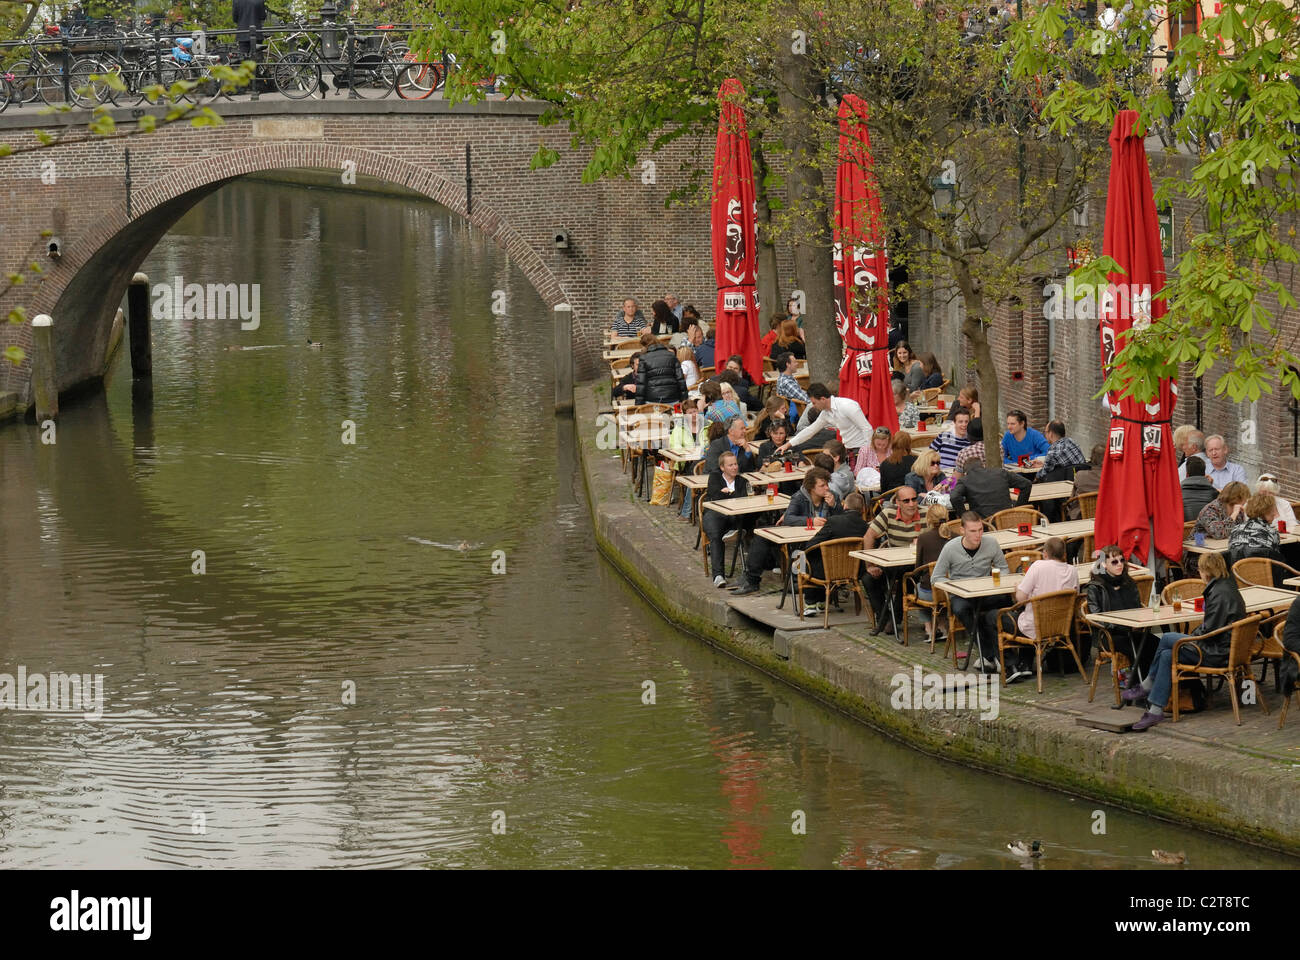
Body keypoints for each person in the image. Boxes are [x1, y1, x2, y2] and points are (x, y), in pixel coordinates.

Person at [1123, 551, 1245, 731]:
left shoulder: (1219, 594)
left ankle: (1148, 683)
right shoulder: (1226, 587)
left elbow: (1210, 630)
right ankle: (1155, 710)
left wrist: (1192, 636)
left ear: (1206, 571)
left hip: (1216, 652)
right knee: (1166, 654)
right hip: (1222, 647)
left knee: (1166, 638)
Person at [732, 468, 840, 597]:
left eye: (827, 484)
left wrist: (834, 506)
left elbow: (843, 520)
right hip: (801, 538)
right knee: (761, 536)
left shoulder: (833, 496)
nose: (826, 488)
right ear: (811, 487)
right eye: (822, 485)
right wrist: (811, 521)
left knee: (799, 549)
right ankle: (752, 580)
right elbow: (789, 518)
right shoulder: (799, 497)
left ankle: (799, 581)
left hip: (825, 540)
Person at [932, 512, 1012, 673]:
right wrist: (955, 587)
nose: (978, 535)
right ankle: (990, 655)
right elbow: (936, 577)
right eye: (973, 531)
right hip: (962, 595)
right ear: (962, 530)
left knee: (1006, 602)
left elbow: (1003, 568)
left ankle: (1010, 656)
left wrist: (997, 580)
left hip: (986, 592)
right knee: (963, 609)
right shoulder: (950, 548)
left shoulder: (991, 543)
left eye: (980, 530)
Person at [999, 537, 1078, 684]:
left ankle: (1011, 666)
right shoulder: (1073, 571)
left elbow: (1020, 599)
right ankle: (1025, 664)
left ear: (1045, 553)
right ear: (1064, 554)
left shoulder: (1038, 566)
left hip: (1036, 627)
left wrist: (1018, 588)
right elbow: (1075, 596)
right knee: (1025, 615)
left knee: (992, 617)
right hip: (1060, 627)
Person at [861, 485, 925, 635]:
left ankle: (894, 620)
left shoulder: (926, 514)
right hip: (893, 563)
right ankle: (884, 616)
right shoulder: (888, 513)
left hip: (917, 566)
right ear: (898, 502)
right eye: (907, 501)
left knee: (907, 578)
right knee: (868, 579)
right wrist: (870, 565)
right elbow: (869, 536)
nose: (911, 504)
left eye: (914, 499)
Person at [1086, 545, 1152, 687]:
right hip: (1109, 635)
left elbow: (1136, 608)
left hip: (1131, 630)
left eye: (1122, 560)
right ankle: (1140, 689)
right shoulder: (1096, 586)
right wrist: (1116, 625)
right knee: (1139, 649)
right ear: (1104, 564)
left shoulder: (1128, 582)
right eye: (1114, 562)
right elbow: (1096, 616)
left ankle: (1147, 686)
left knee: (1156, 645)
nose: (1120, 565)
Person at [797, 491, 871, 613]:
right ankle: (821, 601)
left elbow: (812, 544)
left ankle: (810, 602)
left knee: (806, 555)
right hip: (855, 571)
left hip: (829, 571)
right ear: (863, 509)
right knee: (820, 558)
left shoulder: (833, 521)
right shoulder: (866, 527)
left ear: (845, 506)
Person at [778, 383, 874, 463]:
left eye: (814, 403)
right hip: (848, 449)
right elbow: (810, 431)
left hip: (861, 449)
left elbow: (867, 428)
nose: (813, 406)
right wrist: (788, 445)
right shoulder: (826, 413)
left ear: (823, 399)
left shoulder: (847, 406)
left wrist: (868, 452)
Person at [701, 451, 752, 588]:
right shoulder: (714, 477)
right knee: (716, 535)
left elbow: (745, 499)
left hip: (736, 517)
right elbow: (714, 496)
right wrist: (732, 495)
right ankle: (718, 575)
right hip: (716, 514)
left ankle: (753, 572)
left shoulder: (743, 481)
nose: (735, 467)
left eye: (735, 464)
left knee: (755, 524)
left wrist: (727, 493)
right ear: (723, 468)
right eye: (730, 465)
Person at [913, 503, 951, 643]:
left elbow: (919, 567)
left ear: (928, 519)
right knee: (938, 591)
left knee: (919, 586)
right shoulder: (957, 536)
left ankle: (929, 630)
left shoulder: (924, 538)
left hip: (932, 591)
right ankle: (942, 627)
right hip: (952, 590)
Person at [950, 454, 1032, 518]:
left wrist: (965, 516)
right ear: (984, 465)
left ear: (965, 472)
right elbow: (1027, 484)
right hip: (1008, 518)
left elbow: (954, 497)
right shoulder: (1000, 472)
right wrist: (1018, 509)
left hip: (984, 524)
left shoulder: (965, 480)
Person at [1227, 492, 1282, 571]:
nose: (1274, 513)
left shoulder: (1235, 529)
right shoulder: (1271, 532)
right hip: (1265, 577)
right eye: (1273, 509)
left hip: (1238, 577)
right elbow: (1276, 560)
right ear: (1265, 511)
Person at [634, 329, 687, 404]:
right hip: (673, 397)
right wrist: (684, 399)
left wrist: (638, 404)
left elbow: (641, 383)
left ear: (644, 346)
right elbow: (680, 379)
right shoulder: (671, 355)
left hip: (652, 399)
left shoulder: (643, 358)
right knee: (676, 416)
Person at [928, 407, 973, 471]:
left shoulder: (970, 441)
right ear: (954, 423)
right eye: (960, 422)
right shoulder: (944, 436)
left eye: (966, 422)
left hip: (958, 475)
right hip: (941, 473)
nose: (964, 424)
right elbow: (928, 453)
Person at [774, 350, 810, 422]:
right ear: (788, 364)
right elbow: (807, 400)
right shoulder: (787, 383)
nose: (797, 364)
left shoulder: (785, 378)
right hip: (801, 412)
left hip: (798, 409)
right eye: (794, 362)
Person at [1181, 456, 1217, 522]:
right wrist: (1211, 485)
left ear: (1187, 474)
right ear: (1204, 473)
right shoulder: (1214, 492)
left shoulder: (1178, 492)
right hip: (1206, 529)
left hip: (1185, 529)